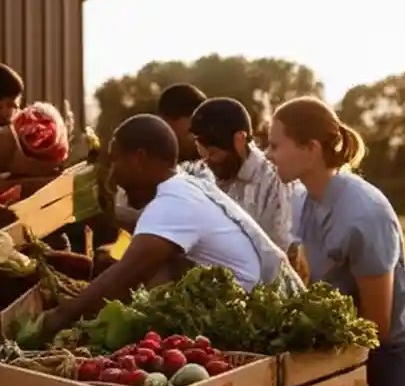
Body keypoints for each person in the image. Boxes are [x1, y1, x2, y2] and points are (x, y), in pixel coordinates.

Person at [264, 97, 405, 386]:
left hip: (390, 354)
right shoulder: (302, 200)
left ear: (311, 150)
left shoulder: (363, 213)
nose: (268, 155)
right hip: (343, 346)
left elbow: (377, 325)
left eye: (275, 145)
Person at [39, 114, 303, 339]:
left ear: (139, 159)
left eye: (116, 161)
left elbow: (125, 276)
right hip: (240, 313)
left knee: (128, 271)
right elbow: (141, 227)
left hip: (243, 325)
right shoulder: (183, 187)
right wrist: (105, 217)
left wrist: (56, 320)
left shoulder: (174, 202)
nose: (113, 175)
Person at [189, 97, 310, 282]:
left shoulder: (275, 181)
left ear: (239, 140)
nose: (207, 162)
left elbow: (281, 256)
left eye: (213, 153)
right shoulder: (200, 174)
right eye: (202, 153)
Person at [111, 83, 211, 227]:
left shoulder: (205, 168)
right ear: (169, 120)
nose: (201, 136)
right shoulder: (145, 161)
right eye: (193, 128)